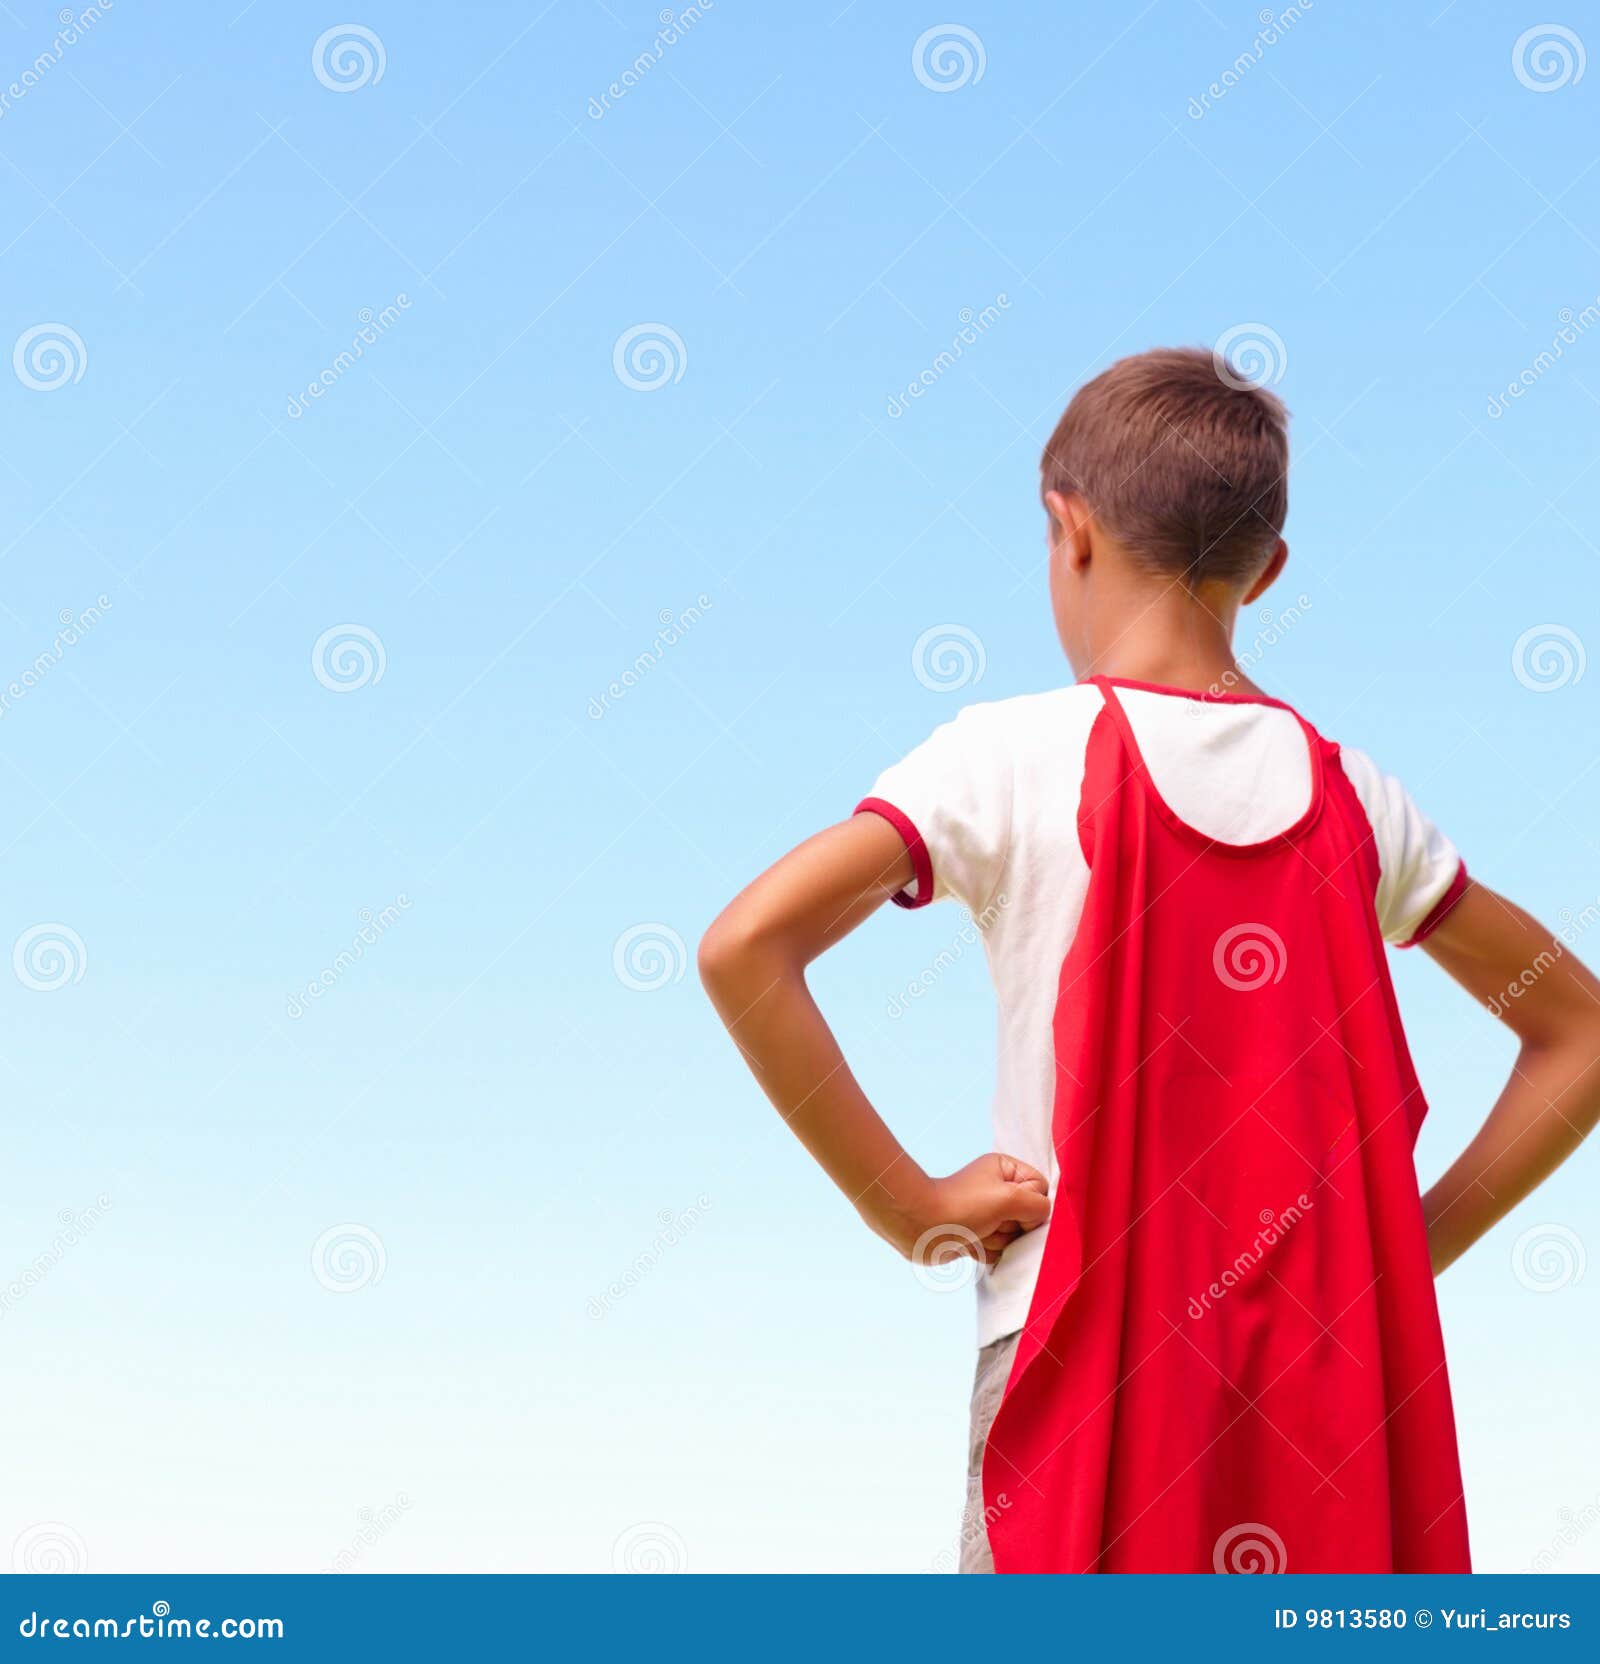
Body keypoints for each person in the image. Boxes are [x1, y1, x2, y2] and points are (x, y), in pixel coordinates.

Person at [697, 346, 1600, 1573]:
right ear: (1266, 571)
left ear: (1065, 532)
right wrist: (1408, 1242)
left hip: (1078, 1358)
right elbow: (1578, 1030)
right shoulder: (1357, 797)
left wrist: (906, 1206)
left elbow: (746, 945)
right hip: (1331, 1380)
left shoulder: (1008, 756)